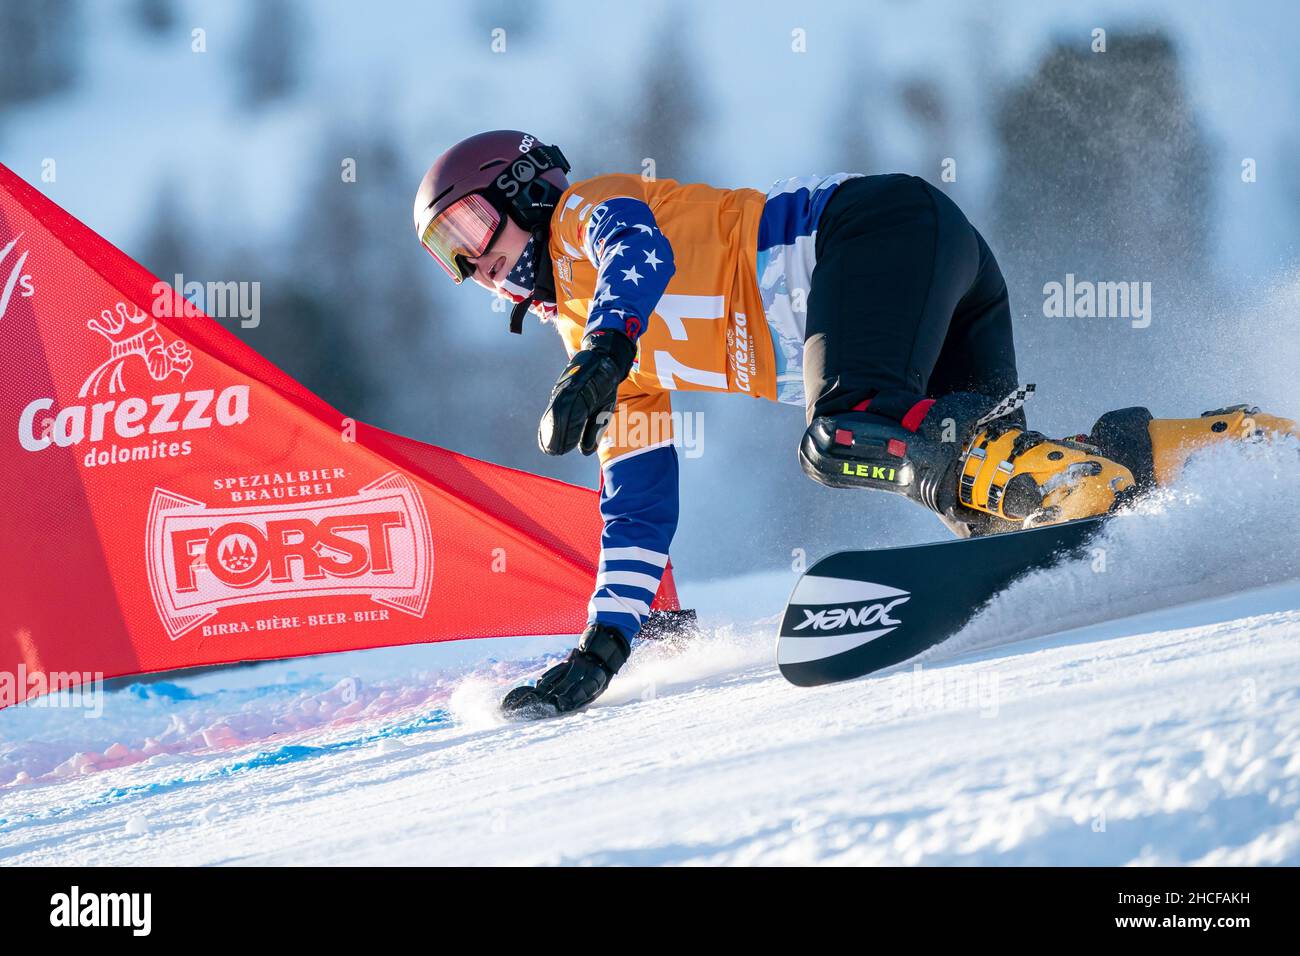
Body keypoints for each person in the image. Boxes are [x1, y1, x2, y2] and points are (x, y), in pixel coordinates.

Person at [413, 130, 1295, 718]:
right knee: (986, 496)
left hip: (870, 234)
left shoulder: (584, 220)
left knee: (843, 433)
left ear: (524, 189)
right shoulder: (611, 359)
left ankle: (1081, 481)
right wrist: (603, 649)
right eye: (449, 257)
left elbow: (635, 256)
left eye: (471, 224)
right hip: (927, 261)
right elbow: (637, 512)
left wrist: (602, 350)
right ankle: (1212, 453)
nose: (475, 264)